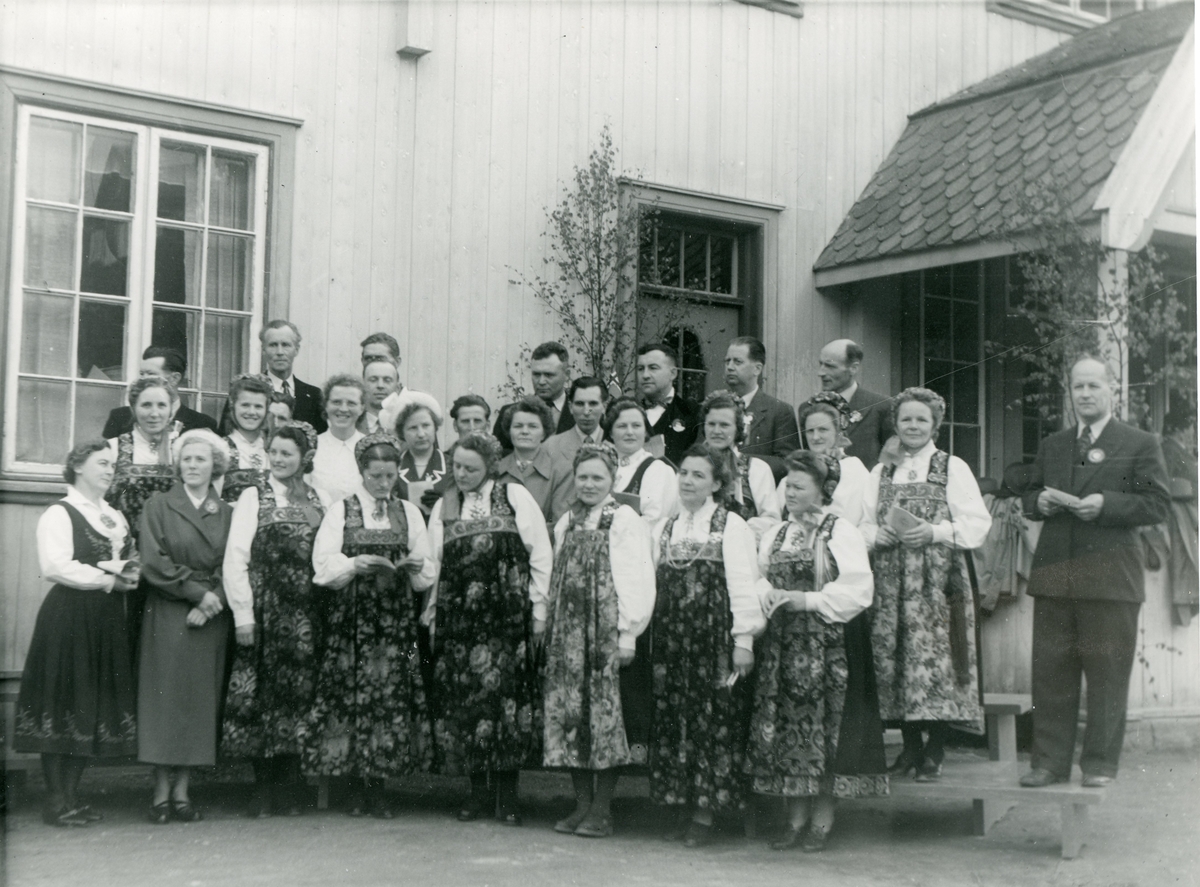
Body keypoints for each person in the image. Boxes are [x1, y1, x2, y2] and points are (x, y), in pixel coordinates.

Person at [1018, 357, 1169, 789]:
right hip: (1055, 575)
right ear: (1071, 391)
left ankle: (1100, 765)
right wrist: (1037, 503)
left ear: (1111, 391)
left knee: (1106, 674)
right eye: (1078, 387)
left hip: (1110, 579)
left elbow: (1157, 504)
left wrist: (1107, 504)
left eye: (1093, 386)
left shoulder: (1140, 443)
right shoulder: (1054, 443)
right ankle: (1048, 764)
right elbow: (1030, 490)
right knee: (1050, 673)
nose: (1085, 394)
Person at [746, 451, 887, 853]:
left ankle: (821, 822)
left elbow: (859, 588)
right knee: (790, 732)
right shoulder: (776, 533)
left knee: (826, 732)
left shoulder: (839, 530)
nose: (789, 493)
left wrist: (805, 600)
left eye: (798, 486)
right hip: (783, 649)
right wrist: (767, 593)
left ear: (821, 490)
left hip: (829, 648)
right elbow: (756, 576)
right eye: (786, 486)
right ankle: (795, 819)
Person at [860, 388, 991, 781]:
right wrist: (875, 535)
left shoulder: (951, 467)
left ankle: (935, 749)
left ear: (936, 424)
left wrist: (934, 532)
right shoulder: (881, 471)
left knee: (935, 661)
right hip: (889, 581)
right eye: (906, 420)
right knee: (897, 658)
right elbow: (862, 521)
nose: (913, 426)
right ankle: (909, 748)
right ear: (895, 424)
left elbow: (977, 524)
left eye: (921, 419)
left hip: (937, 582)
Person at [304, 431, 436, 818]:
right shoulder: (341, 510)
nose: (383, 483)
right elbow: (322, 563)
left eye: (390, 476)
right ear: (362, 472)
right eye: (376, 476)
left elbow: (426, 568)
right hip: (352, 619)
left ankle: (379, 786)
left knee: (389, 698)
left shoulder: (408, 512)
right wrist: (352, 564)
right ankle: (351, 787)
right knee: (349, 696)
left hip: (395, 622)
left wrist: (415, 567)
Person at [426, 433, 553, 826]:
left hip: (507, 620)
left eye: (471, 469)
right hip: (461, 623)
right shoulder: (446, 504)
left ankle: (508, 795)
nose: (462, 475)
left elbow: (541, 554)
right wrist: (431, 614)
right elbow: (433, 565)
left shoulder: (514, 497)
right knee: (470, 710)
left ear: (491, 467)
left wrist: (538, 611)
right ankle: (478, 792)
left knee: (507, 710)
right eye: (457, 467)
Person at [14, 442, 140, 827]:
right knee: (64, 701)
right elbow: (56, 566)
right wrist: (108, 578)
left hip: (105, 618)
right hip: (68, 616)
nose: (109, 470)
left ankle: (72, 797)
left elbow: (129, 560)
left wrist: (128, 574)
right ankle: (56, 801)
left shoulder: (113, 516)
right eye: (101, 463)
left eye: (112, 464)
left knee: (91, 704)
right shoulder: (60, 512)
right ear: (77, 466)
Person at [649, 444, 764, 848]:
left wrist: (743, 641)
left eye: (698, 475)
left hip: (713, 641)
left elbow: (744, 587)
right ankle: (679, 804)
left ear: (717, 483)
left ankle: (704, 813)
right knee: (674, 721)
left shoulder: (731, 525)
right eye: (683, 473)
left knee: (712, 723)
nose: (687, 481)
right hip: (672, 643)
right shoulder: (665, 527)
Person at [543, 443, 655, 839]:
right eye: (583, 477)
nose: (589, 484)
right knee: (572, 717)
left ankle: (603, 808)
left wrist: (628, 634)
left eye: (598, 478)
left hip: (604, 634)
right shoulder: (566, 520)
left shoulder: (623, 518)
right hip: (568, 634)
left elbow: (636, 577)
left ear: (612, 480)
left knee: (606, 719)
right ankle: (581, 804)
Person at [222, 422, 330, 818]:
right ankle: (263, 787)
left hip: (307, 614)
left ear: (305, 458)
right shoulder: (253, 495)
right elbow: (236, 557)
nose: (280, 460)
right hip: (266, 611)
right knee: (262, 699)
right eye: (275, 452)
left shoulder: (320, 497)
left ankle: (293, 785)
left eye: (288, 453)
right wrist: (243, 616)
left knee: (301, 696)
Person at [136, 430, 234, 824]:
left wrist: (214, 601)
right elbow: (153, 560)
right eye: (187, 460)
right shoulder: (159, 505)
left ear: (216, 467)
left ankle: (183, 792)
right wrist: (195, 594)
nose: (193, 466)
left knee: (197, 701)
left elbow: (238, 563)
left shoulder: (226, 512)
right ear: (178, 465)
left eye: (201, 460)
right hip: (170, 609)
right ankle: (160, 792)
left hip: (211, 616)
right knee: (164, 700)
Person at [105, 376, 184, 660]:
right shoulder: (115, 448)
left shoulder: (182, 448)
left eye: (161, 405)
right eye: (146, 405)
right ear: (133, 407)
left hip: (171, 559)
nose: (154, 413)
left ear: (172, 408)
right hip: (130, 558)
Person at [699, 390, 780, 539]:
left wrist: (737, 532)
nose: (716, 431)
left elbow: (772, 520)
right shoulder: (692, 467)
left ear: (738, 428)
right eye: (711, 424)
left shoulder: (756, 469)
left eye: (724, 425)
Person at [780, 397, 872, 526]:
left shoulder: (853, 468)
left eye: (823, 430)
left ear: (838, 432)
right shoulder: (798, 468)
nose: (815, 437)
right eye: (810, 431)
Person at [723, 336, 800, 481]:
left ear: (757, 369)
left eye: (737, 361)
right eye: (727, 361)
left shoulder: (779, 411)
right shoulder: (715, 407)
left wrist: (741, 461)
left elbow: (788, 462)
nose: (730, 367)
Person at [807, 339, 893, 470]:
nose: (821, 373)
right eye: (821, 364)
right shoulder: (809, 408)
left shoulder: (881, 406)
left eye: (830, 366)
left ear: (853, 368)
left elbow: (891, 460)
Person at [101, 346, 218, 439]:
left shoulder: (201, 424)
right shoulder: (120, 418)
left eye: (151, 374)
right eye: (142, 374)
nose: (143, 380)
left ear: (174, 378)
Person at [495, 396, 574, 527]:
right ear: (509, 431)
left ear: (544, 433)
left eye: (533, 426)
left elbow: (559, 524)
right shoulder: (495, 470)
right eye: (518, 426)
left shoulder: (562, 471)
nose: (525, 431)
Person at [604, 398, 678, 526]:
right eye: (622, 426)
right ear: (611, 432)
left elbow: (654, 521)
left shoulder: (657, 470)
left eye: (636, 426)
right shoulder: (604, 466)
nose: (629, 432)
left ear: (645, 431)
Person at [493, 341, 574, 451]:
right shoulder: (509, 413)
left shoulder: (580, 414)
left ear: (567, 375)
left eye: (549, 375)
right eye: (536, 374)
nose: (541, 381)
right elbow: (499, 459)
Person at [1160, 406, 1198, 626]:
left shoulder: (1184, 451)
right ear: (1176, 429)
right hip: (1181, 513)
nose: (1192, 430)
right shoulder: (1168, 450)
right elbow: (1164, 482)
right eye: (1189, 426)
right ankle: (1187, 597)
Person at [387, 390, 451, 518]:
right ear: (402, 433)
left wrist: (444, 504)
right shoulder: (393, 467)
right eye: (413, 428)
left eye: (426, 425)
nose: (421, 434)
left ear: (435, 427)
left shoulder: (452, 465)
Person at [636, 342, 700, 467]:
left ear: (673, 373)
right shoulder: (628, 413)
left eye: (653, 368)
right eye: (640, 369)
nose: (645, 375)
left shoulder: (692, 414)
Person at [308, 374, 367, 504]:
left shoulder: (371, 448)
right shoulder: (311, 446)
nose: (343, 409)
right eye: (336, 402)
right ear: (326, 405)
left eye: (351, 403)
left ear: (362, 408)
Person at [260, 320, 326, 433]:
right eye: (273, 345)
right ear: (263, 350)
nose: (279, 352)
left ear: (296, 349)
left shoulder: (314, 395)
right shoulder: (249, 390)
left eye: (285, 345)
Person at [219, 374, 273, 504]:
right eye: (245, 405)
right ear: (233, 406)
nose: (251, 412)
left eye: (258, 406)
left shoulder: (273, 449)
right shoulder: (220, 448)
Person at [543, 376, 608, 468]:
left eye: (593, 404)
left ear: (604, 407)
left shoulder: (617, 446)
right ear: (570, 407)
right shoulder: (551, 447)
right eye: (580, 404)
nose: (586, 412)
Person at [358, 357, 402, 435]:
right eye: (373, 380)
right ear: (363, 386)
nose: (380, 385)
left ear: (397, 388)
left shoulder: (406, 424)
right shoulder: (351, 424)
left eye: (387, 380)